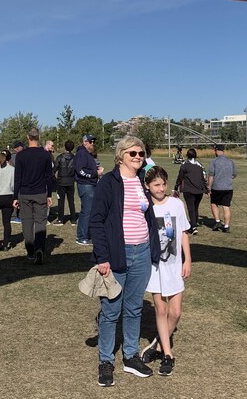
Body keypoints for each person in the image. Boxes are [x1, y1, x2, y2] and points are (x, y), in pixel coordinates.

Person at [91, 136, 161, 386]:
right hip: (116, 254)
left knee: (134, 308)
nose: (138, 157)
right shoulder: (108, 183)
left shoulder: (143, 181)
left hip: (142, 252)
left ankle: (130, 356)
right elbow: (96, 220)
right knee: (111, 310)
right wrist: (102, 257)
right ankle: (106, 361)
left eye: (141, 154)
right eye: (133, 153)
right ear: (121, 156)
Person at [141, 166, 191, 376]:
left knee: (175, 312)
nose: (161, 189)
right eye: (156, 185)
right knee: (161, 310)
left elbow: (183, 232)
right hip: (155, 267)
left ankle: (159, 345)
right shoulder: (145, 207)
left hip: (174, 265)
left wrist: (187, 260)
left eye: (163, 184)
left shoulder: (176, 204)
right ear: (147, 186)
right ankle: (168, 355)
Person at [13, 127, 54, 264]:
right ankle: (40, 248)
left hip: (25, 193)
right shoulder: (45, 155)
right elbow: (49, 177)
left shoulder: (21, 155)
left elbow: (17, 178)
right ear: (39, 137)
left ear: (27, 137)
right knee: (41, 222)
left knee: (27, 222)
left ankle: (30, 250)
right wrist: (49, 194)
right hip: (41, 193)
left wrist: (15, 196)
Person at [75, 134, 103, 245]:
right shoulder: (81, 153)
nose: (93, 144)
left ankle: (86, 234)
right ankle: (82, 237)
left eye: (93, 142)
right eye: (91, 142)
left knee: (88, 211)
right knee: (87, 212)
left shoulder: (87, 154)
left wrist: (96, 169)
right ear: (85, 142)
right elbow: (80, 170)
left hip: (90, 184)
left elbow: (87, 168)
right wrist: (95, 173)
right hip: (86, 185)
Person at [173, 147, 206, 236]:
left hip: (189, 190)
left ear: (187, 155)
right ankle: (194, 223)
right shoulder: (199, 166)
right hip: (199, 191)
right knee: (195, 208)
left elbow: (180, 177)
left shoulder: (184, 166)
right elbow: (203, 178)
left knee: (191, 208)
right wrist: (206, 189)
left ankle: (193, 226)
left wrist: (176, 187)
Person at [209, 144, 237, 233]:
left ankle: (217, 221)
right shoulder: (230, 161)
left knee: (214, 203)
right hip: (228, 188)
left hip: (216, 187)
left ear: (216, 151)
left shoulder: (214, 161)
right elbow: (234, 174)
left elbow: (211, 175)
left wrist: (209, 187)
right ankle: (226, 226)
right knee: (226, 206)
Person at [53, 140, 76, 226]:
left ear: (65, 147)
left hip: (61, 182)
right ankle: (73, 219)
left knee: (60, 201)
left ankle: (60, 219)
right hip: (70, 182)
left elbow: (54, 170)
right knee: (71, 201)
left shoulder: (60, 157)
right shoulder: (75, 158)